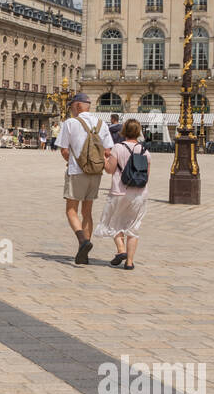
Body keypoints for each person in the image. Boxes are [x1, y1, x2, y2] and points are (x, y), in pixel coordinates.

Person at [56, 92, 113, 265]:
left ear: (78, 105)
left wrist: (72, 162)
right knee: (87, 212)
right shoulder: (102, 124)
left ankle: (83, 241)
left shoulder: (71, 123)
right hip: (95, 173)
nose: (72, 110)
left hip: (76, 171)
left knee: (71, 210)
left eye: (72, 106)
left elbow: (64, 149)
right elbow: (108, 151)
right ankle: (84, 255)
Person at [96, 118, 151, 270]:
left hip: (119, 192)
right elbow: (147, 176)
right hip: (139, 194)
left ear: (124, 131)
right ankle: (129, 262)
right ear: (139, 132)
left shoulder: (118, 148)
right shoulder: (145, 151)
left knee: (112, 222)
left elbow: (110, 170)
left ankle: (121, 250)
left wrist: (104, 157)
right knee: (133, 227)